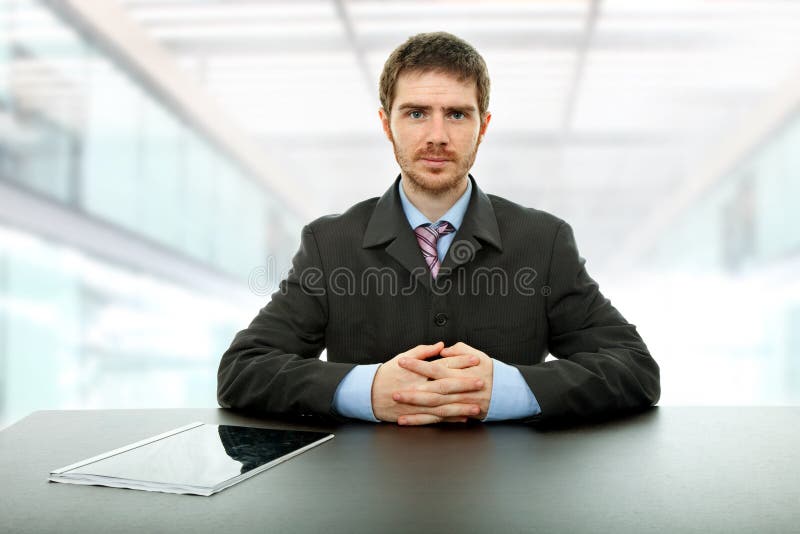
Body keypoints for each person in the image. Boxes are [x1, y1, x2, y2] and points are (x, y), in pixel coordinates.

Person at [217, 32, 660, 426]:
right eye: (415, 113)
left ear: (483, 126)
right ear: (385, 124)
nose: (437, 135)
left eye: (457, 114)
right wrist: (368, 389)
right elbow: (243, 370)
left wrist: (507, 389)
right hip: (363, 501)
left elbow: (635, 368)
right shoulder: (330, 244)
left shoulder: (543, 241)